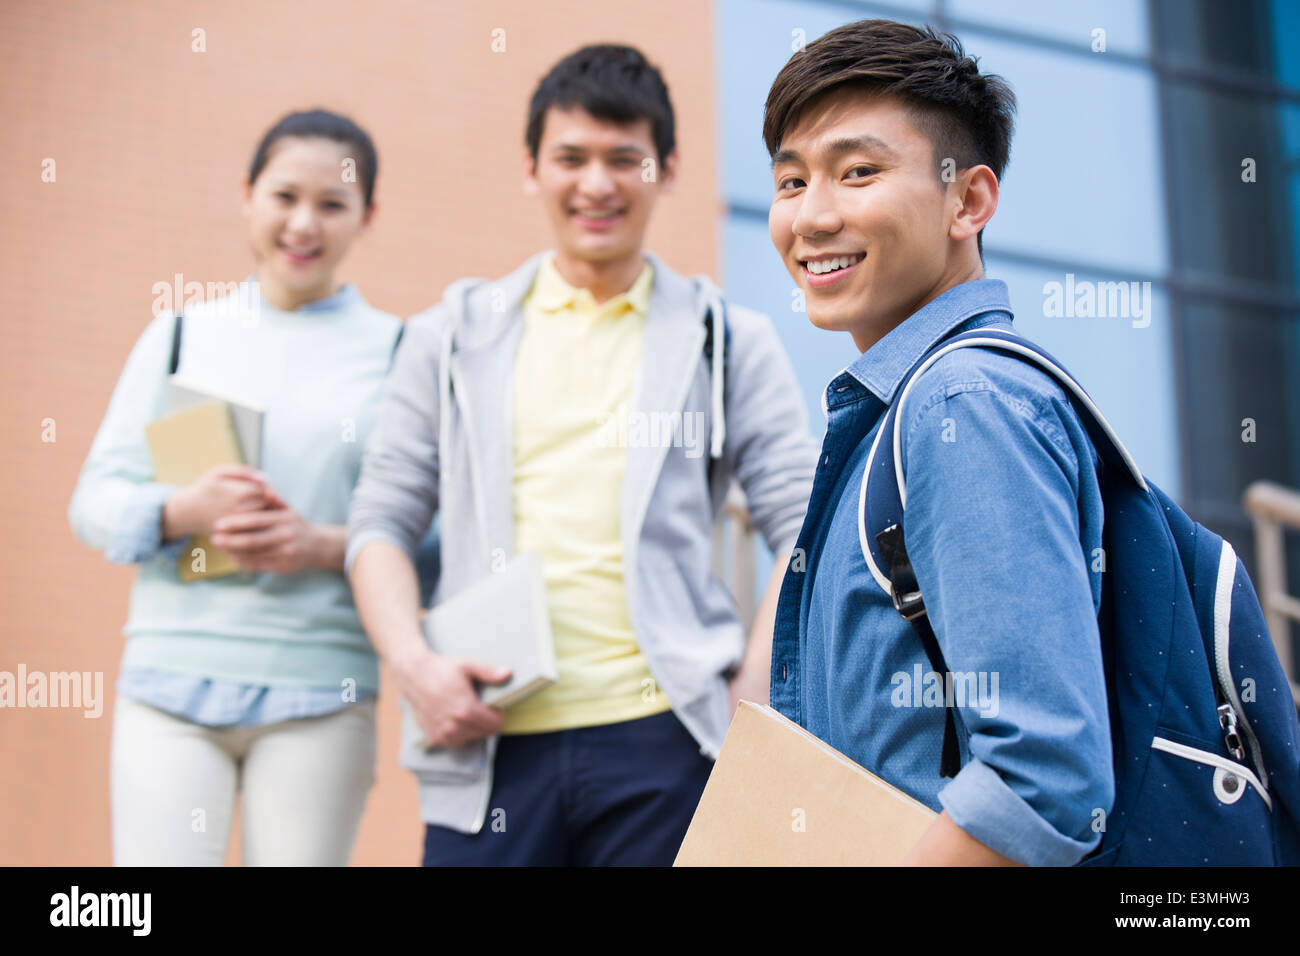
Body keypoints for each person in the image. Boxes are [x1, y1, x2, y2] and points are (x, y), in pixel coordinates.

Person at [347, 43, 819, 866]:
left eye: (624, 158)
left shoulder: (727, 339)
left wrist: (752, 687)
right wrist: (414, 666)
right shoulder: (448, 336)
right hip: (487, 740)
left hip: (668, 744)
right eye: (571, 157)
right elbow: (380, 519)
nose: (596, 184)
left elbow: (804, 524)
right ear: (531, 168)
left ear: (668, 169)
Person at [762, 19, 1114, 865]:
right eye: (791, 181)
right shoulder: (902, 413)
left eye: (858, 172)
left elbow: (1043, 778)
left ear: (969, 201)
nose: (812, 216)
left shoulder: (963, 403)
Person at [68, 108, 402, 866]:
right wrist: (181, 510)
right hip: (168, 687)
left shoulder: (400, 352)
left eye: (332, 204)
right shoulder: (181, 334)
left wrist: (323, 545)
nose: (303, 224)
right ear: (248, 195)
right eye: (285, 196)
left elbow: (435, 537)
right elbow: (92, 502)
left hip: (321, 693)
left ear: (368, 216)